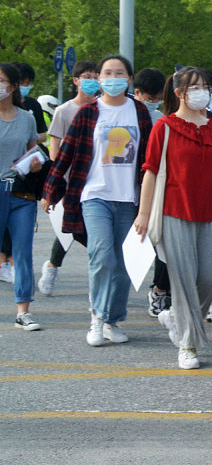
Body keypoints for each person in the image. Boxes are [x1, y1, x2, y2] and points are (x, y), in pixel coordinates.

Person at [44, 55, 154, 344]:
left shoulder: (139, 112)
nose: (113, 77)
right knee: (102, 255)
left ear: (129, 79)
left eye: (120, 73)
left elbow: (150, 159)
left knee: (122, 263)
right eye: (107, 73)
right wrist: (51, 190)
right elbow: (66, 152)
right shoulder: (88, 112)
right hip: (94, 195)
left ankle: (112, 319)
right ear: (99, 78)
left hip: (129, 198)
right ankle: (97, 317)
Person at [134, 67, 212, 369]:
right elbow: (151, 172)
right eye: (195, 87)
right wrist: (143, 214)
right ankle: (188, 345)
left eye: (206, 86)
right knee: (183, 279)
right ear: (179, 93)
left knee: (208, 279)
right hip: (173, 212)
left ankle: (176, 318)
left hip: (209, 214)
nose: (203, 92)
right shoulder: (164, 126)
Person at [38, 60, 99, 295]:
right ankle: (52, 267)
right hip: (70, 182)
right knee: (70, 229)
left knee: (89, 231)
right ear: (76, 81)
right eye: (87, 76)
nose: (92, 81)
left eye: (95, 76)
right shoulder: (64, 111)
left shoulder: (103, 108)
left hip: (96, 182)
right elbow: (55, 151)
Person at [1, 63, 46, 331]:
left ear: (14, 86)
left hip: (20, 192)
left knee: (22, 251)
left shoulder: (26, 117)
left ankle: (23, 311)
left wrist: (37, 161)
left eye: (2, 80)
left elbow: (33, 151)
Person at [133, 68, 171, 317]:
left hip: (153, 187)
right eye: (150, 96)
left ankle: (160, 290)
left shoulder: (160, 119)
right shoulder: (124, 115)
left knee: (161, 245)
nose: (154, 101)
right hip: (125, 190)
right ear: (137, 93)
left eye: (158, 97)